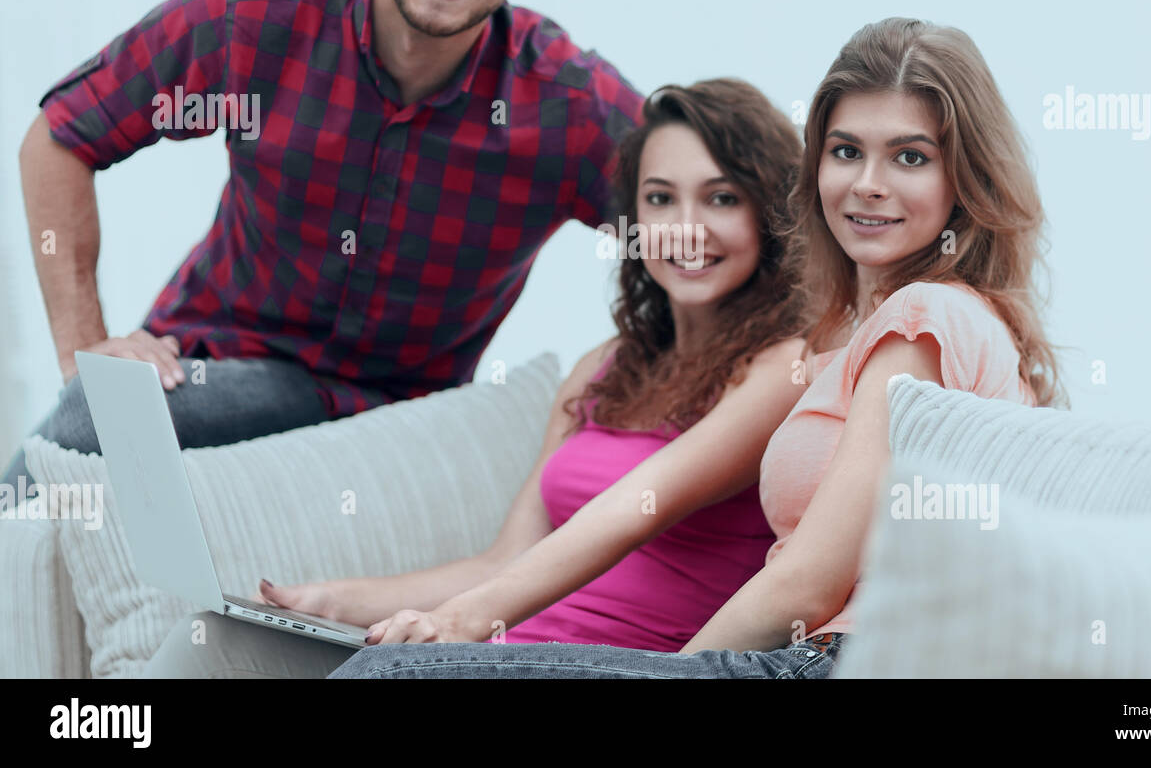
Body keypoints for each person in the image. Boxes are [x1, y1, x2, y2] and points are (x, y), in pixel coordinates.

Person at [318, 16, 1067, 678]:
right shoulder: (870, 339)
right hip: (810, 654)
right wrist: (332, 602)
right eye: (846, 151)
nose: (868, 184)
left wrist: (672, 676)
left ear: (964, 175)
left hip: (841, 655)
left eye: (910, 157)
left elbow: (807, 585)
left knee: (390, 676)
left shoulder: (923, 318)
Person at [3, 0, 643, 501]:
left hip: (398, 426)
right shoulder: (257, 9)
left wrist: (636, 386)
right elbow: (62, 136)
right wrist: (84, 351)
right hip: (218, 367)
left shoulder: (570, 104)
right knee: (87, 427)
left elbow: (698, 232)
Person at [142, 78, 813, 677]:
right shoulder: (605, 366)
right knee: (214, 642)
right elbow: (502, 561)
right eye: (660, 199)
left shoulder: (787, 365)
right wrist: (332, 601)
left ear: (770, 214)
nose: (685, 228)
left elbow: (637, 510)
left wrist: (458, 621)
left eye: (721, 198)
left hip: (618, 664)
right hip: (496, 653)